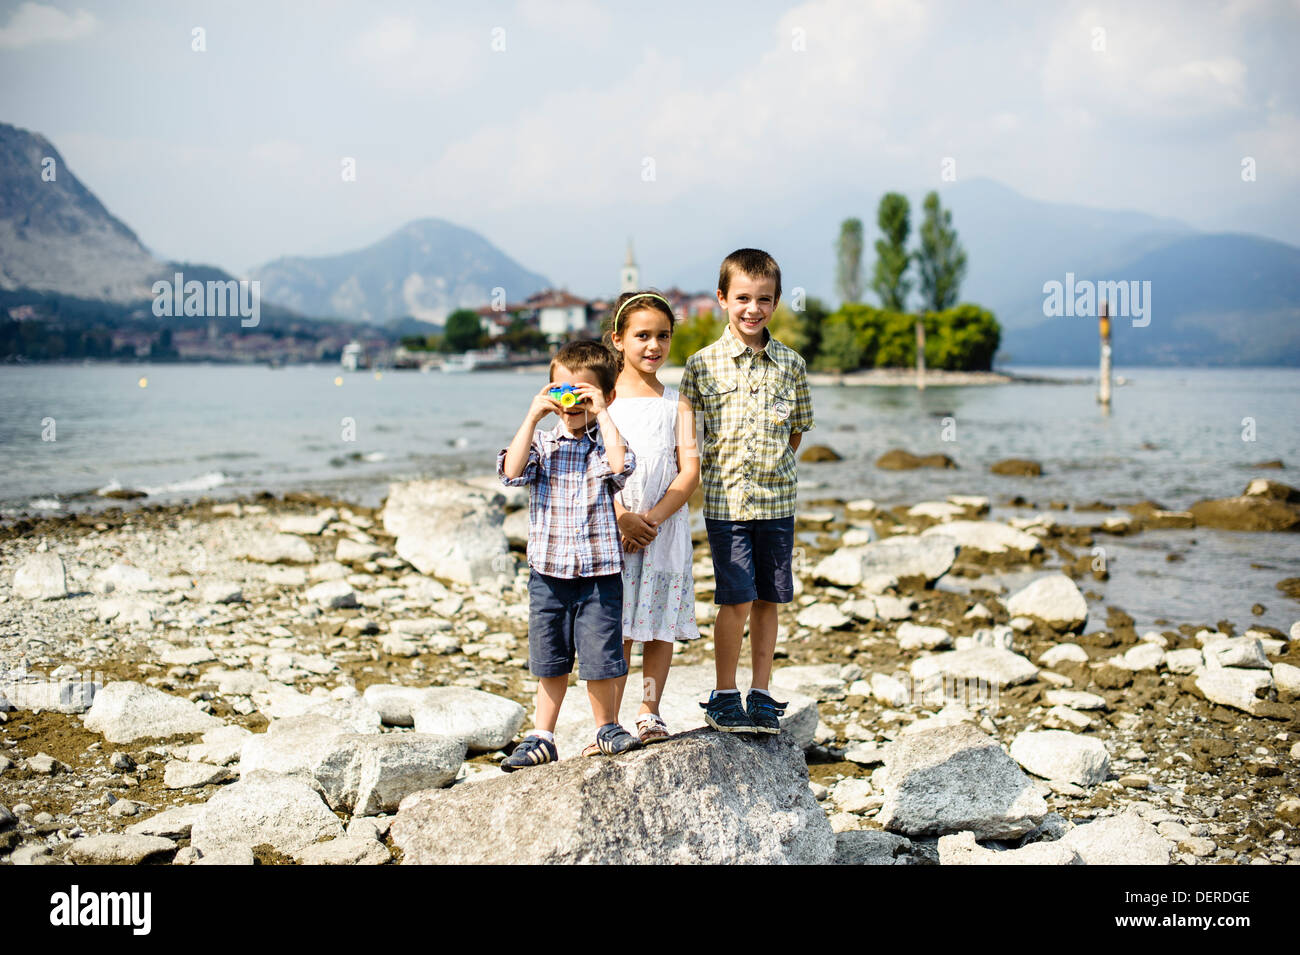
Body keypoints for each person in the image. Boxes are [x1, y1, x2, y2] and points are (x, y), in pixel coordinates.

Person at [678, 248, 814, 735]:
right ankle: (724, 694)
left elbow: (796, 430)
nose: (752, 309)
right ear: (722, 298)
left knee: (768, 599)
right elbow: (688, 436)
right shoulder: (701, 365)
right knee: (735, 598)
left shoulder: (792, 365)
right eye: (742, 298)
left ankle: (760, 692)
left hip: (777, 503)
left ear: (775, 302)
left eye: (763, 299)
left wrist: (772, 466)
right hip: (726, 505)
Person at [497, 340, 642, 769]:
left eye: (581, 394)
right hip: (548, 575)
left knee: (601, 658)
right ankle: (543, 735)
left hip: (599, 574)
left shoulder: (604, 444)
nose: (571, 403)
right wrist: (532, 416)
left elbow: (620, 466)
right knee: (550, 658)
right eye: (561, 391)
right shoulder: (543, 444)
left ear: (605, 395)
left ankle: (607, 727)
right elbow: (511, 472)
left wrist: (603, 413)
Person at [604, 290, 701, 745]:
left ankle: (650, 710)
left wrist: (653, 520)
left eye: (663, 336)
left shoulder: (678, 404)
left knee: (658, 626)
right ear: (618, 339)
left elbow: (690, 471)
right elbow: (587, 468)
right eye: (642, 335)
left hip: (663, 530)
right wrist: (622, 516)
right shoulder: (602, 403)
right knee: (619, 626)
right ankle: (609, 718)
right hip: (613, 528)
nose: (653, 345)